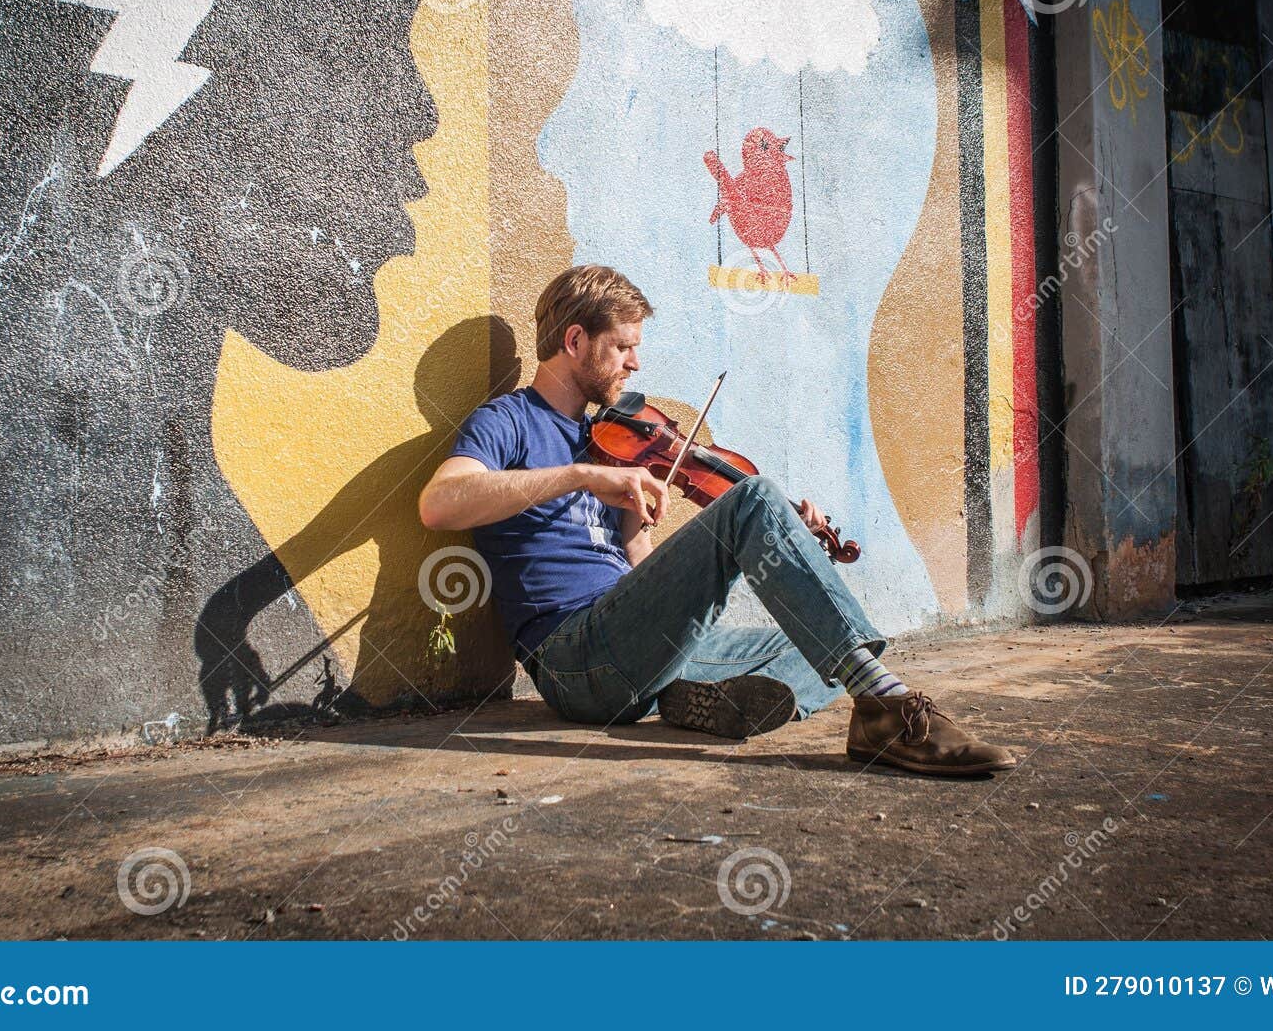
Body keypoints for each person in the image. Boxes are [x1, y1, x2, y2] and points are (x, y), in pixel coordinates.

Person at [419, 267, 1016, 777]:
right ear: (575, 340)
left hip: (629, 646)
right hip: (573, 659)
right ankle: (890, 710)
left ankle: (689, 699)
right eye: (623, 345)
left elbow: (641, 571)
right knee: (754, 497)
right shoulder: (508, 421)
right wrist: (583, 478)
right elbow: (439, 503)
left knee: (813, 645)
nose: (635, 360)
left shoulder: (612, 440)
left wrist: (782, 540)